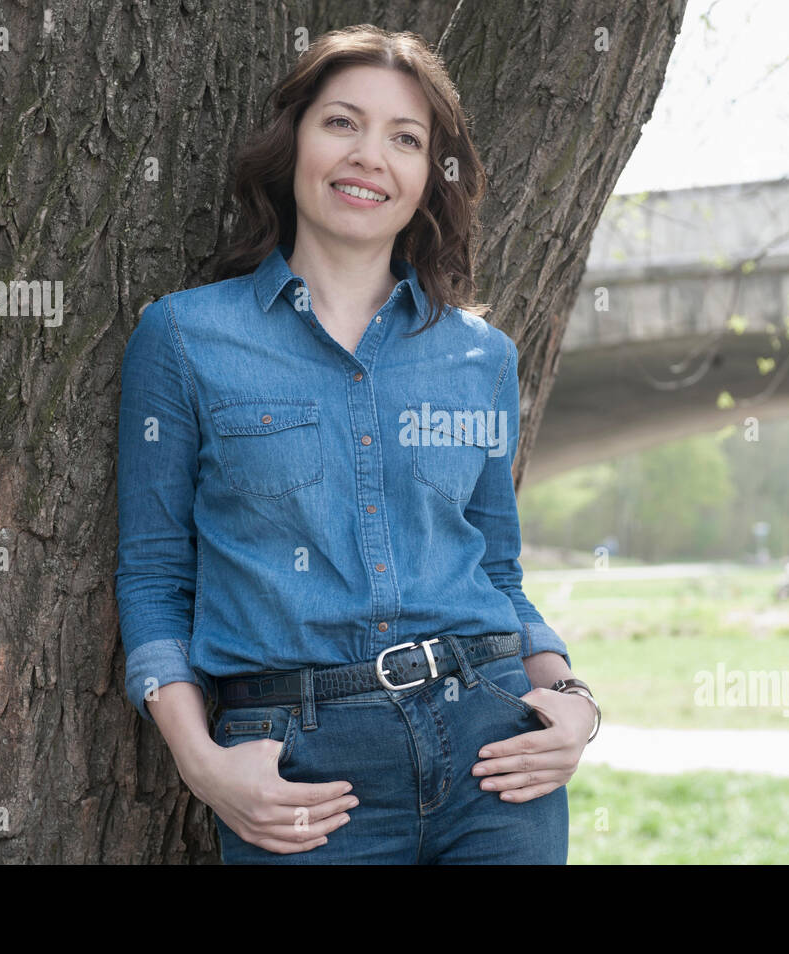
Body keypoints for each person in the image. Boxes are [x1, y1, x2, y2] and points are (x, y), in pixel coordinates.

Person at [115, 24, 600, 865]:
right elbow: (156, 576)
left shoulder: (481, 358)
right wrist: (203, 766)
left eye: (404, 139)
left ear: (426, 179)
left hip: (495, 754)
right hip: (301, 774)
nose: (370, 155)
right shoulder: (185, 337)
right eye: (342, 122)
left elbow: (495, 572)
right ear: (293, 142)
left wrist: (574, 704)